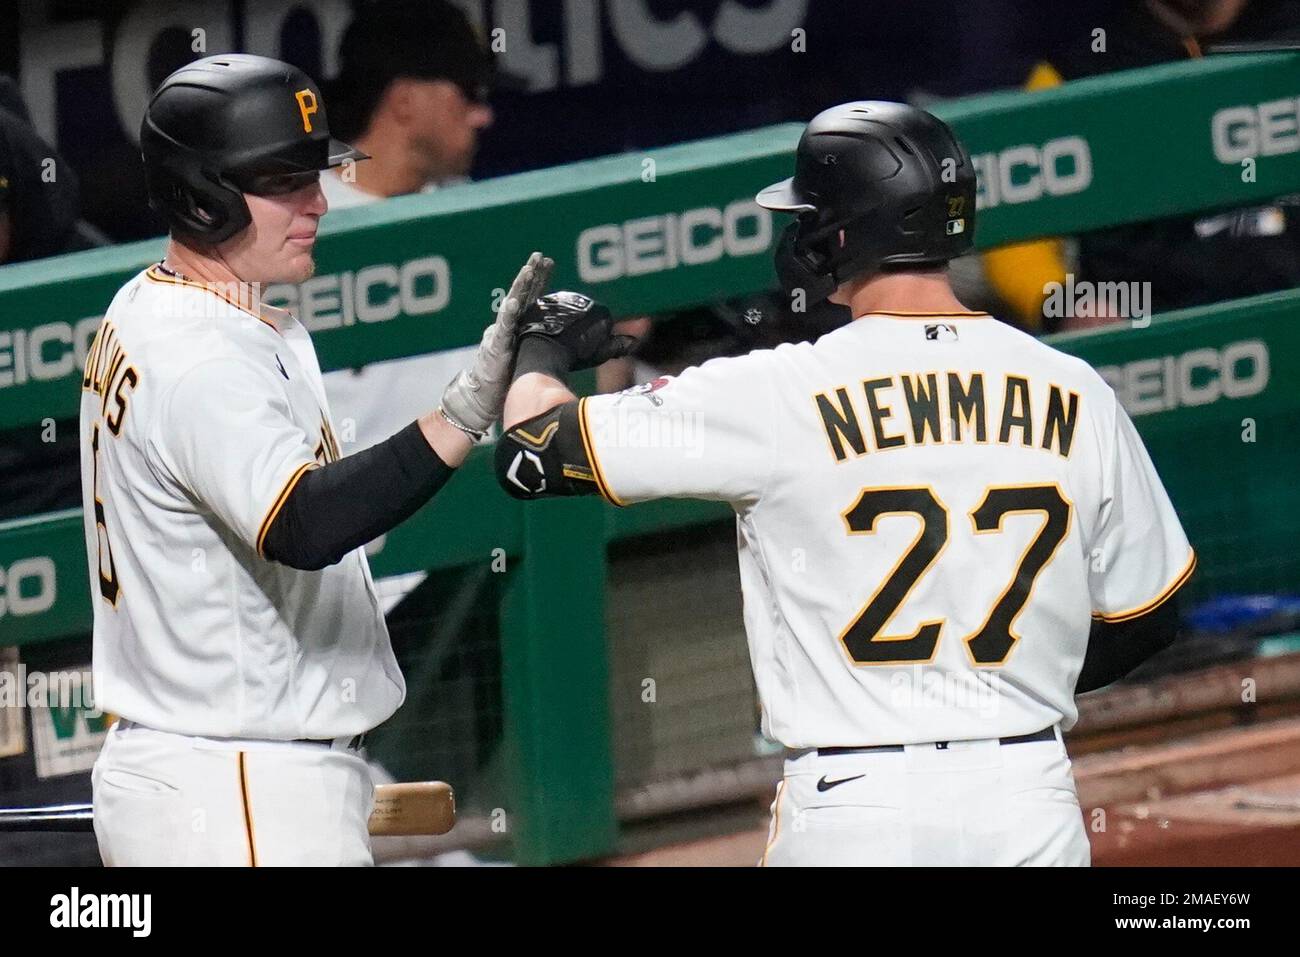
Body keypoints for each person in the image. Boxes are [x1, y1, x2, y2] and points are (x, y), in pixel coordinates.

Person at [490, 102, 1195, 866]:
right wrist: (1011, 685)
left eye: (809, 217)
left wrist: (543, 348)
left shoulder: (775, 391)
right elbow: (1151, 614)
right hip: (1025, 794)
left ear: (844, 233)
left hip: (857, 806)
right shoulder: (1075, 388)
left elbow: (531, 452)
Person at [82, 53, 550, 866]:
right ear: (206, 194)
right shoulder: (202, 360)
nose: (318, 203)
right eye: (286, 185)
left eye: (315, 176)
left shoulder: (158, 303)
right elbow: (305, 522)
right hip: (237, 785)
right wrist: (464, 413)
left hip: (216, 768)